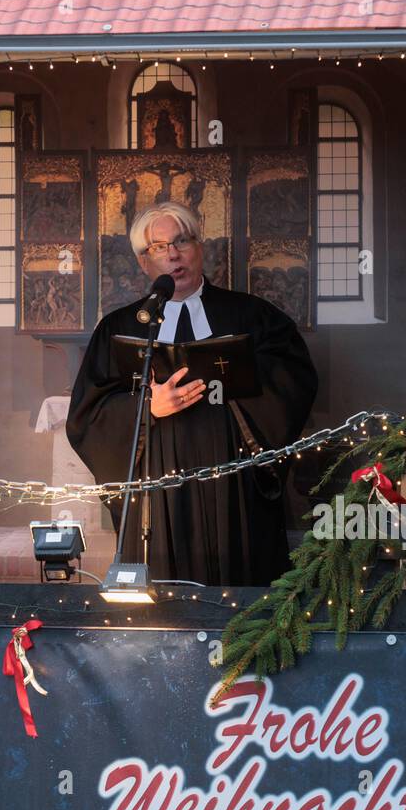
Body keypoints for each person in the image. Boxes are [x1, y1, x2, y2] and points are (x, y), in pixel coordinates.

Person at [66, 203, 318, 586]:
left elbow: (292, 379)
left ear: (200, 247)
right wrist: (148, 407)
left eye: (182, 241)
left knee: (239, 584)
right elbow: (89, 412)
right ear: (142, 262)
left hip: (231, 475)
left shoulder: (253, 317)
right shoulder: (117, 327)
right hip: (155, 480)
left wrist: (229, 389)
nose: (172, 254)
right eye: (158, 247)